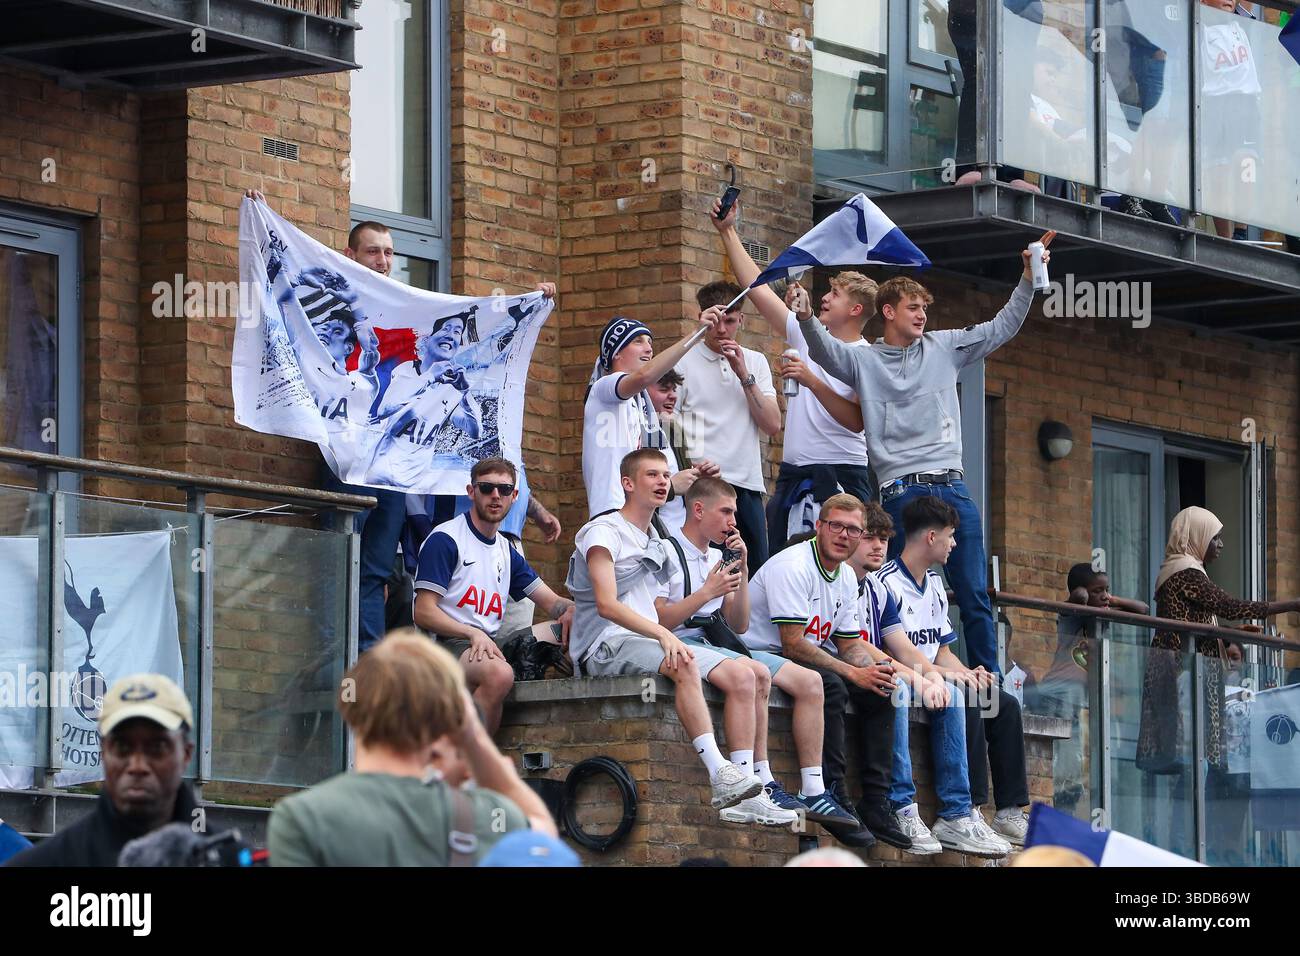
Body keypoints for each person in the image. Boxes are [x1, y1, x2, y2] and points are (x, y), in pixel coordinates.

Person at [792, 231, 1055, 676]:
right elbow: (824, 350)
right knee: (889, 589)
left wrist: (1027, 279)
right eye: (914, 308)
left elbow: (1002, 327)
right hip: (899, 493)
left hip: (950, 485)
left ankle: (986, 683)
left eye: (926, 309)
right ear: (889, 311)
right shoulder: (864, 361)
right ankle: (899, 671)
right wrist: (802, 318)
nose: (922, 316)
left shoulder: (945, 346)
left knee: (973, 591)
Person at [566, 448, 764, 811]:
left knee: (745, 674)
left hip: (644, 642)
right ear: (627, 483)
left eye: (664, 475)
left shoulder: (656, 542)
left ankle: (747, 791)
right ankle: (718, 772)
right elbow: (607, 605)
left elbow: (731, 622)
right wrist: (662, 633)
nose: (661, 482)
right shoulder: (602, 531)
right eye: (651, 475)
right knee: (683, 661)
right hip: (605, 644)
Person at [268, 630, 554, 865]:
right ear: (444, 720)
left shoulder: (304, 818)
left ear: (349, 709)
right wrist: (476, 742)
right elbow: (546, 842)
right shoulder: (488, 814)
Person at [709, 197, 879, 555]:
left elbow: (856, 422)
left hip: (841, 474)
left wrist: (810, 379)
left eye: (835, 294)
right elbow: (755, 288)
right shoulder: (804, 331)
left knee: (836, 569)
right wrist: (727, 232)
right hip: (793, 472)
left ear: (856, 309)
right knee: (784, 564)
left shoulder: (867, 357)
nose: (825, 299)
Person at [654, 477, 825, 828]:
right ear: (698, 509)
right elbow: (657, 618)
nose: (733, 521)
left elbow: (739, 624)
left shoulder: (718, 556)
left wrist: (743, 570)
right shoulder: (667, 551)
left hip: (715, 643)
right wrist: (704, 593)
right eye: (726, 511)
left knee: (782, 675)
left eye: (734, 512)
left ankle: (758, 782)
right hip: (676, 642)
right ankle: (745, 780)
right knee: (749, 673)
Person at [745, 493, 912, 850]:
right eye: (835, 525)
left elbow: (849, 645)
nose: (844, 535)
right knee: (834, 684)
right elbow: (792, 643)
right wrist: (854, 674)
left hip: (800, 658)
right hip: (760, 653)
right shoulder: (794, 565)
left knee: (880, 688)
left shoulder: (847, 578)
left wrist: (874, 669)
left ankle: (876, 801)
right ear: (818, 527)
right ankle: (830, 789)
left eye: (854, 529)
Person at [846, 502, 1009, 857]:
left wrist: (955, 676)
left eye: (883, 539)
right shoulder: (876, 581)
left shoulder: (913, 585)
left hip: (899, 671)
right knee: (904, 687)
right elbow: (860, 648)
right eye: (869, 537)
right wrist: (923, 678)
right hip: (854, 674)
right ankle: (903, 806)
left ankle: (966, 811)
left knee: (989, 698)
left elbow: (907, 650)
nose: (878, 546)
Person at [877, 496, 1031, 846]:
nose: (955, 543)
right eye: (950, 535)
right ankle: (967, 810)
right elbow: (894, 652)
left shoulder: (934, 584)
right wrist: (952, 677)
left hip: (935, 676)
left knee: (1002, 704)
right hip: (908, 679)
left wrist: (967, 672)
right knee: (968, 700)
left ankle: (1008, 811)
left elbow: (942, 651)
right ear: (931, 537)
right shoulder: (888, 583)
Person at [413, 457, 574, 734]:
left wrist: (574, 610)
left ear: (514, 496)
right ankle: (470, 764)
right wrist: (471, 633)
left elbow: (551, 601)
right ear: (471, 492)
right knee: (499, 673)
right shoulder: (446, 539)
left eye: (503, 489)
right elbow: (423, 611)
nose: (495, 496)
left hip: (487, 644)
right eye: (486, 488)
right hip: (445, 645)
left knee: (568, 627)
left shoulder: (505, 550)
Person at [1136, 507, 1300, 778]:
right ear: (1197, 537)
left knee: (1192, 754)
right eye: (1215, 538)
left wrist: (1228, 630)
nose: (1220, 544)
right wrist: (1290, 605)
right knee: (1191, 752)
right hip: (1182, 666)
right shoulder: (1186, 572)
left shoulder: (1180, 568)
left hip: (1181, 662)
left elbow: (1192, 618)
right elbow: (1228, 605)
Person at [5, 674, 207, 867]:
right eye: (122, 747)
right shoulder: (46, 862)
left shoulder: (228, 858)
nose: (138, 765)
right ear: (103, 751)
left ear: (186, 754)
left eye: (157, 747)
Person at [675, 281, 781, 574]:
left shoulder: (756, 361)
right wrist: (691, 465)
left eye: (731, 321)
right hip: (703, 487)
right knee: (708, 573)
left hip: (747, 487)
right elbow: (668, 424)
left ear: (741, 320)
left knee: (755, 574)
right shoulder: (682, 360)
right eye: (715, 321)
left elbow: (772, 424)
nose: (722, 330)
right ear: (702, 317)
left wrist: (742, 373)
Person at [582, 310, 724, 518]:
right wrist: (696, 334)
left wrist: (694, 476)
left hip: (641, 519)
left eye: (649, 342)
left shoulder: (643, 405)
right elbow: (644, 376)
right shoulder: (603, 387)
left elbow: (657, 466)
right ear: (616, 353)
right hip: (611, 513)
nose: (649, 348)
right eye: (638, 341)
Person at [1036, 562, 1148, 816]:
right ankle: (1061, 809)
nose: (1105, 596)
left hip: (1079, 698)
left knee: (1075, 763)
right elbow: (1079, 596)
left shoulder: (1103, 613)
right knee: (1066, 763)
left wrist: (1107, 597)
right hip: (1058, 693)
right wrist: (1090, 595)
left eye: (1107, 589)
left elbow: (1144, 609)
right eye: (1099, 590)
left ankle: (1068, 808)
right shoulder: (1071, 614)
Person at [646, 369, 720, 534]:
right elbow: (630, 491)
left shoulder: (673, 429)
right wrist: (671, 486)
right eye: (664, 390)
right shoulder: (633, 432)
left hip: (682, 535)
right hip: (652, 535)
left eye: (674, 389)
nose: (673, 396)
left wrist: (702, 479)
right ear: (642, 392)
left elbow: (685, 486)